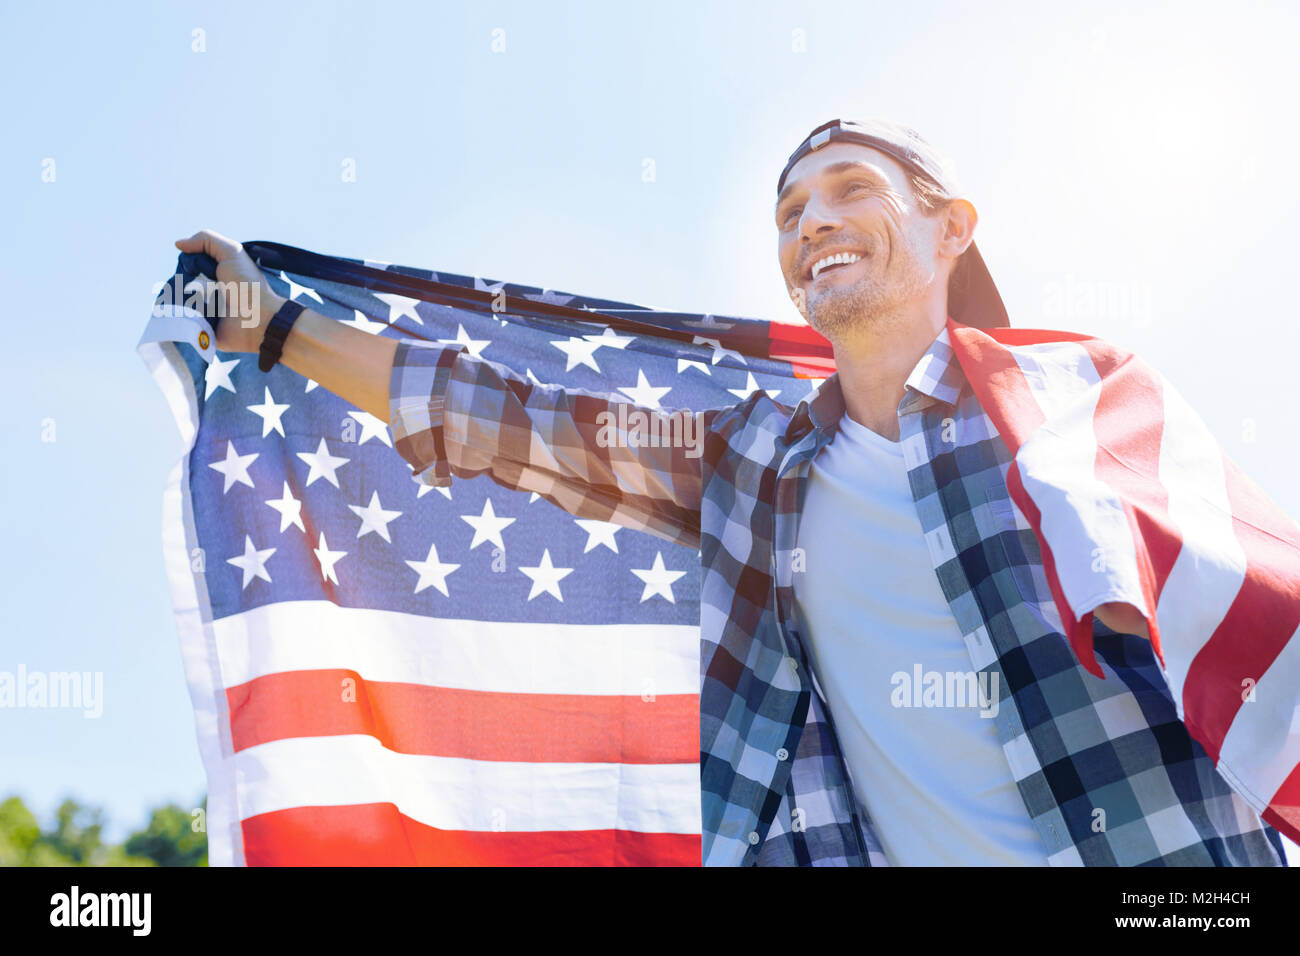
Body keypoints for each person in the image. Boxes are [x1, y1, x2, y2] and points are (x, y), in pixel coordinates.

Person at [177, 117, 1287, 866]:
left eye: (851, 188)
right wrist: (273, 325)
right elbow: (501, 424)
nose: (812, 220)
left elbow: (1249, 603)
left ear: (950, 227)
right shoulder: (751, 461)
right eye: (791, 210)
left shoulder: (1078, 392)